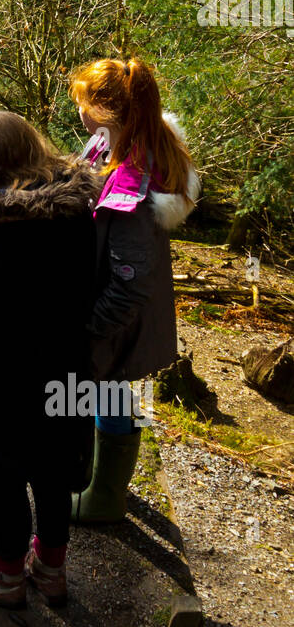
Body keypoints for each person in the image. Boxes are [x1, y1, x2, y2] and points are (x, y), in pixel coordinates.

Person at [0, 112, 100, 609]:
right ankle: (52, 569)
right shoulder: (80, 212)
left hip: (8, 382)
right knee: (56, 473)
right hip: (69, 372)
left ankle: (7, 572)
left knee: (8, 480)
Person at [69, 57, 201, 522]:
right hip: (107, 302)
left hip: (113, 316)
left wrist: (88, 330)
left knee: (107, 387)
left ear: (107, 110)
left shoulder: (135, 187)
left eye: (84, 102)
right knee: (110, 387)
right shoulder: (115, 141)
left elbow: (130, 285)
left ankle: (105, 497)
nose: (79, 111)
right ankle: (102, 483)